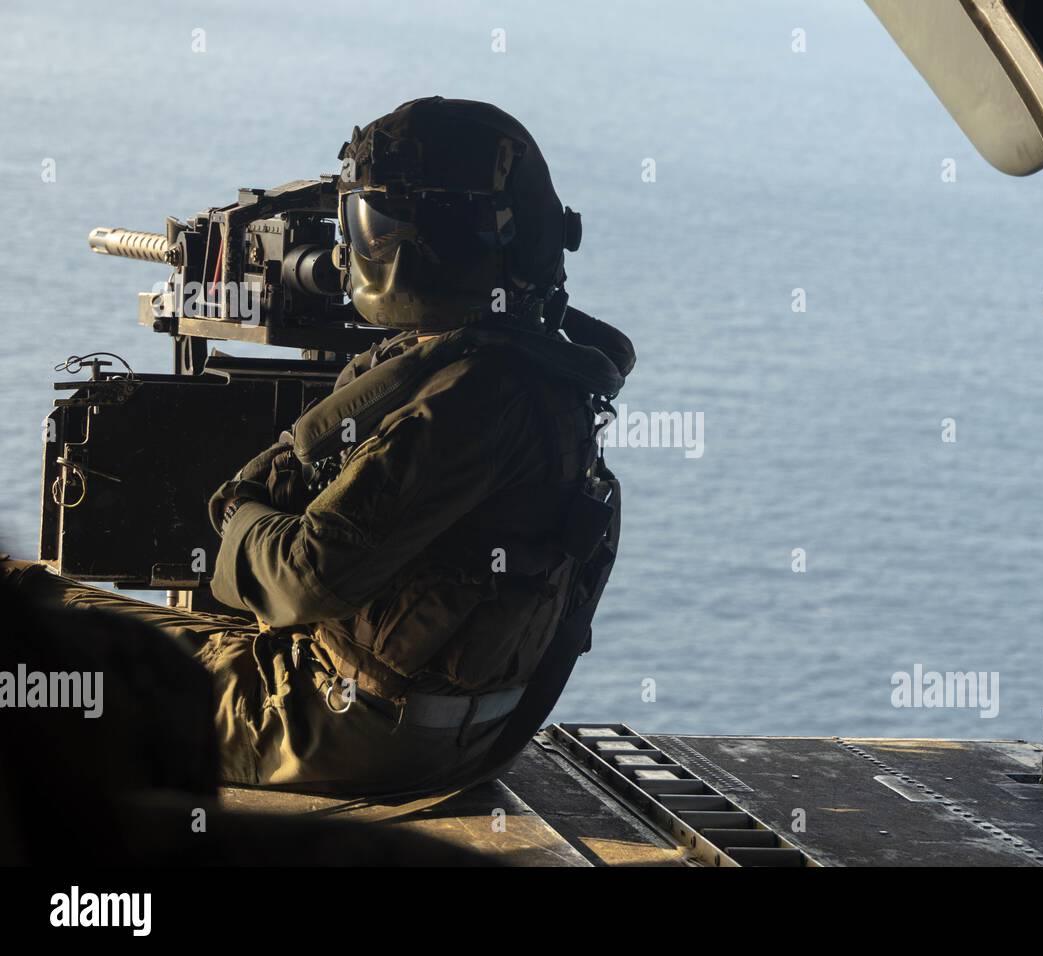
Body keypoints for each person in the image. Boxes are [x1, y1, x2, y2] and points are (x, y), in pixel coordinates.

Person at [4, 96, 634, 795]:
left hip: (343, 725)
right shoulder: (535, 370)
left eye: (374, 222)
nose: (357, 245)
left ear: (445, 235)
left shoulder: (470, 400)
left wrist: (240, 513)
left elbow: (308, 577)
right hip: (453, 729)